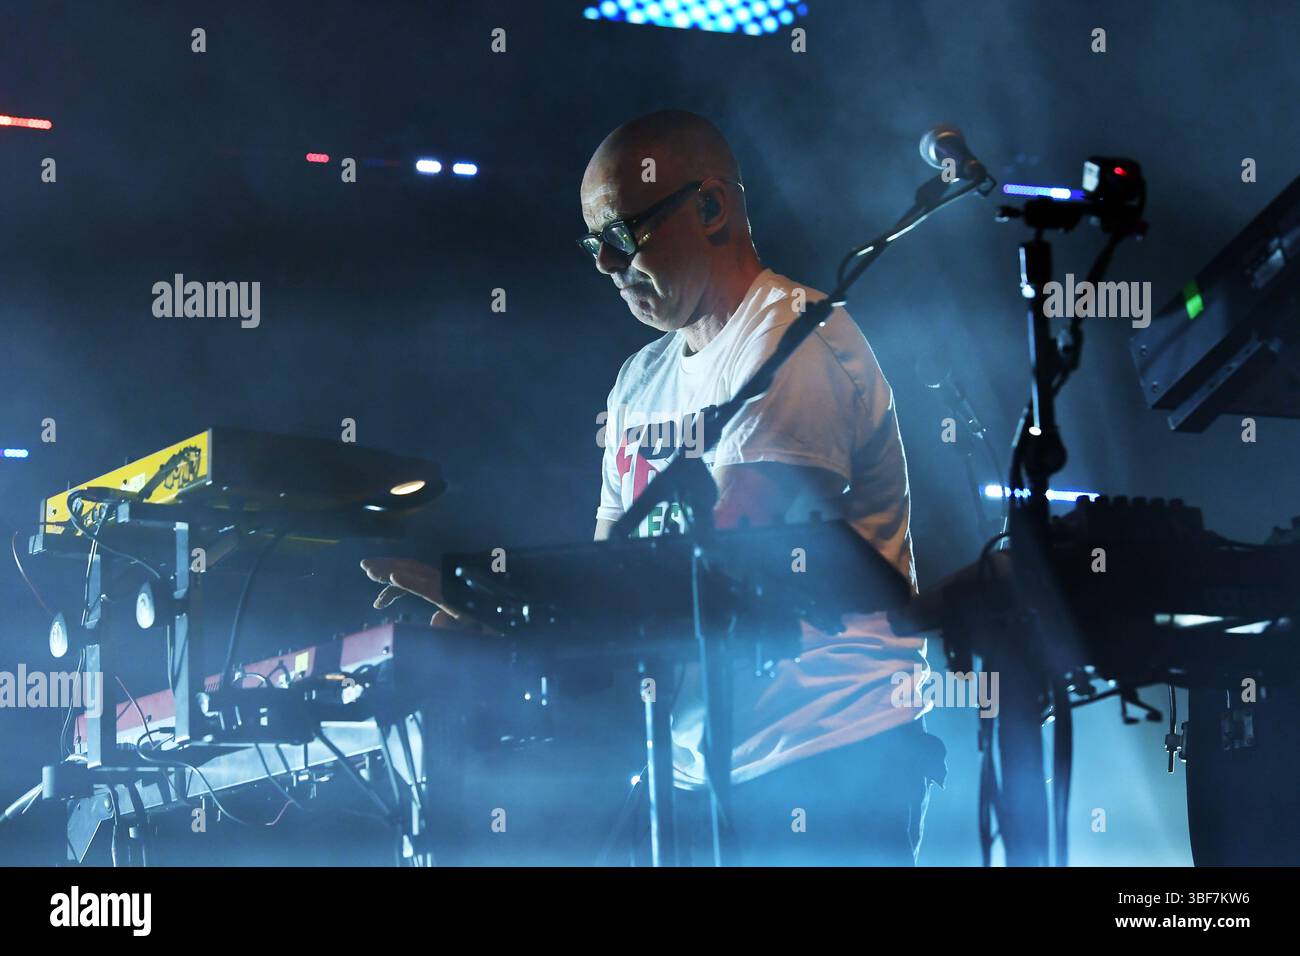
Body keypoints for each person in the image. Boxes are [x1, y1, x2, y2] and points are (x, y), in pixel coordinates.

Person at [364, 109, 945, 866]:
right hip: (689, 772)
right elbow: (610, 589)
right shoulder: (639, 383)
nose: (606, 266)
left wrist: (510, 601)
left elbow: (724, 564)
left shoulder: (793, 335)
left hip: (828, 755)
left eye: (621, 236)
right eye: (592, 246)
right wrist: (493, 615)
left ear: (711, 208)